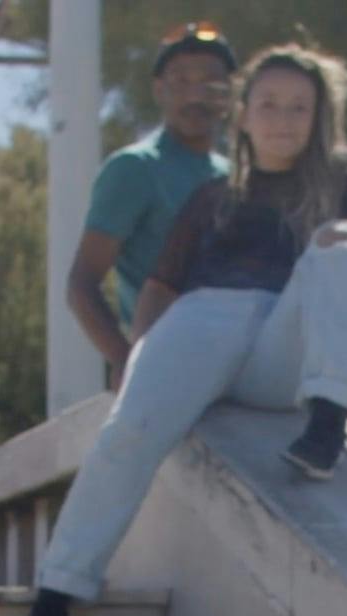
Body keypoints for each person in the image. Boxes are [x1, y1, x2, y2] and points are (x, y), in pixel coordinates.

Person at [29, 43, 347, 616]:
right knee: (130, 431)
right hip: (205, 333)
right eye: (269, 106)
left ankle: (325, 420)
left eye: (299, 108)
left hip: (280, 359)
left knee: (343, 247)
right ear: (244, 115)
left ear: (319, 119)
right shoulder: (212, 196)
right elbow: (159, 289)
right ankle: (54, 601)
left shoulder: (345, 181)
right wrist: (136, 365)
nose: (283, 120)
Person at [67, 22, 238, 389]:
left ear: (231, 94)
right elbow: (82, 283)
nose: (196, 95)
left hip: (237, 364)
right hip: (173, 365)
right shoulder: (137, 168)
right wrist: (125, 359)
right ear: (159, 90)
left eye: (211, 82)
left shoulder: (237, 178)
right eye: (181, 81)